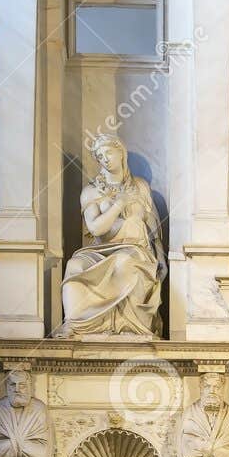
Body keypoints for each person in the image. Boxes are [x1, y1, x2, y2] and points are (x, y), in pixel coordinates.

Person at [56, 134, 165, 338]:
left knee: (125, 262)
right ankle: (75, 324)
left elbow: (152, 227)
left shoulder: (140, 186)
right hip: (101, 250)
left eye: (108, 152)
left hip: (135, 249)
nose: (104, 158)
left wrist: (161, 257)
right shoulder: (91, 192)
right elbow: (96, 228)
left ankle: (128, 326)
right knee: (74, 265)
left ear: (120, 153)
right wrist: (119, 204)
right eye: (99, 155)